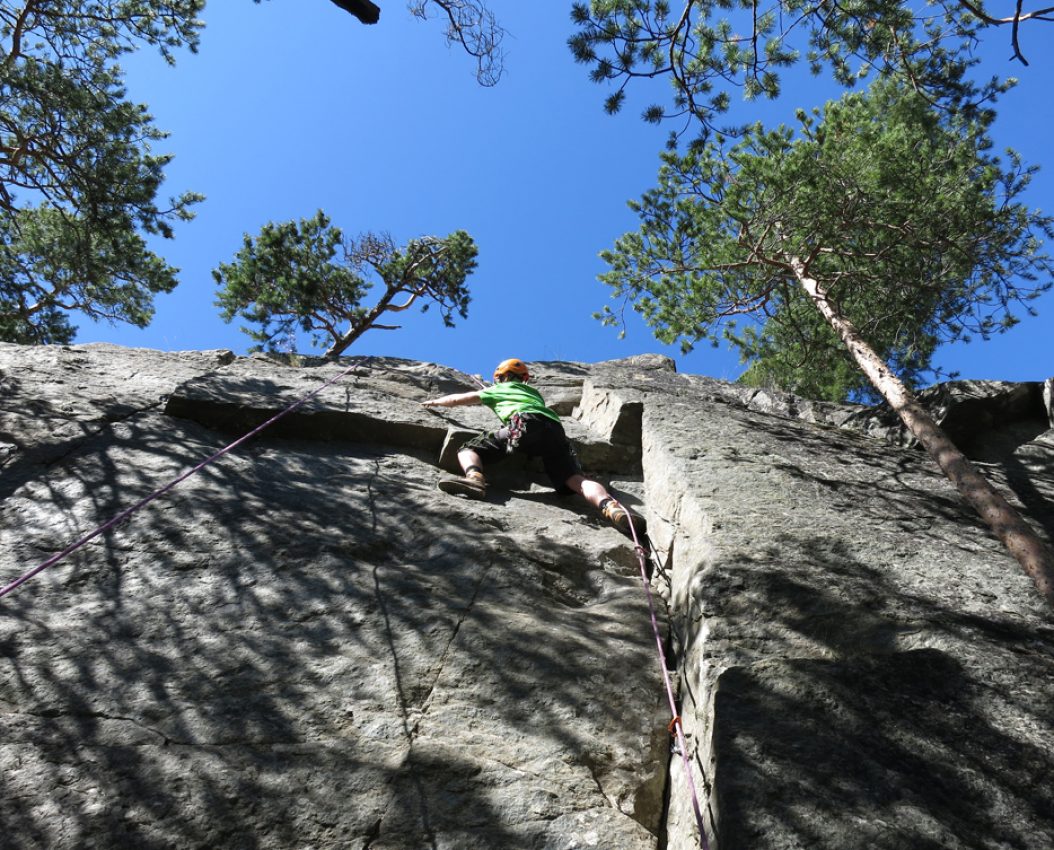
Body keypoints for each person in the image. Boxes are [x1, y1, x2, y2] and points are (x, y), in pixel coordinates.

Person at [421, 357, 647, 539]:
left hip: (525, 423)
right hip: (555, 430)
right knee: (574, 479)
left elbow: (462, 399)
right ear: (524, 378)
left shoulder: (498, 389)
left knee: (467, 449)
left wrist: (434, 402)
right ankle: (611, 507)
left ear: (501, 378)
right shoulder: (533, 393)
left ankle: (475, 479)